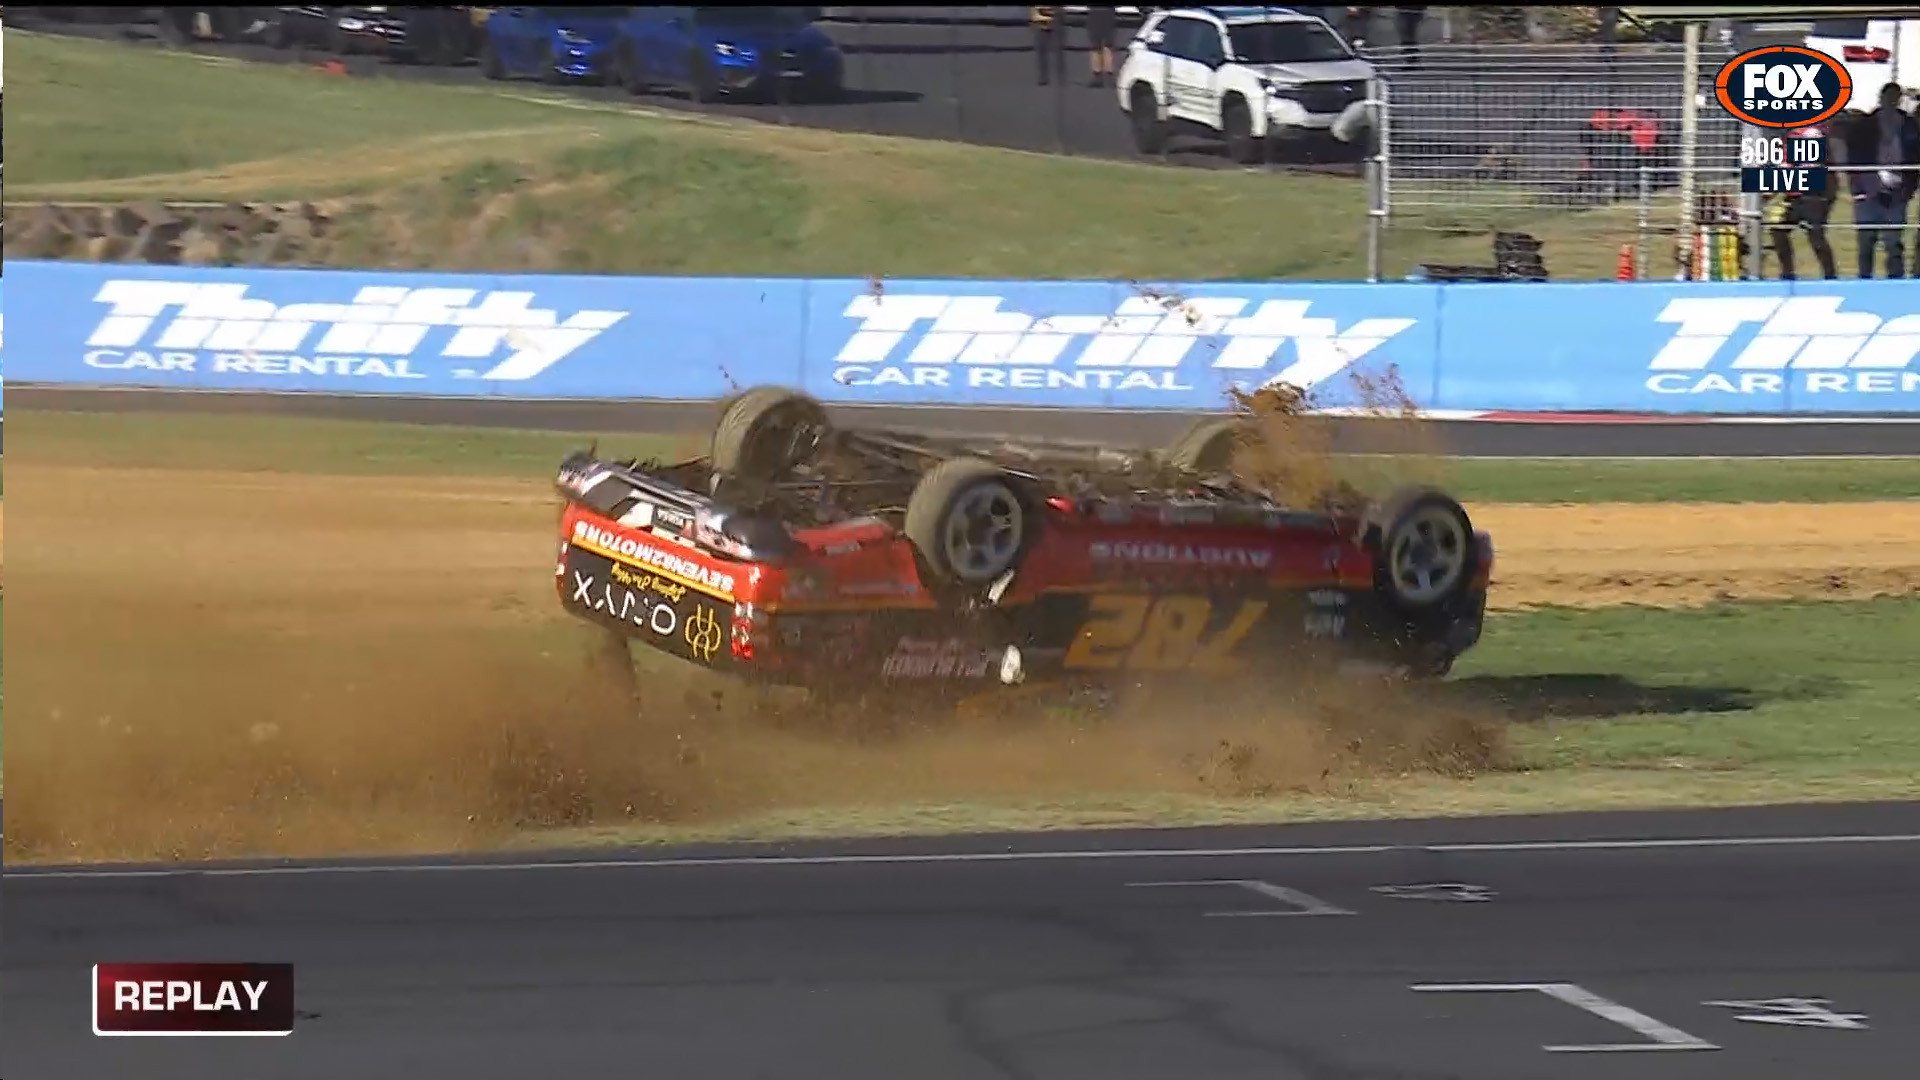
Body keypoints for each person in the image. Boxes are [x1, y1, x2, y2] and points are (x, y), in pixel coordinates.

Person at [1840, 84, 1920, 278]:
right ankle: (1864, 280)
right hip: (1868, 192)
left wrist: (1908, 190)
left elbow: (1916, 157)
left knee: (1893, 243)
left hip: (1897, 192)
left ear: (1899, 99)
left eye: (1895, 97)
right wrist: (1860, 187)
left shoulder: (1910, 126)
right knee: (1866, 241)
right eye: (1887, 96)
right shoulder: (1865, 125)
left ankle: (1896, 282)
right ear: (1881, 97)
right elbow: (1854, 157)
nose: (1891, 100)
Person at [1766, 124, 1838, 281]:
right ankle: (1787, 273)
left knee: (1815, 237)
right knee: (1778, 229)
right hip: (1794, 197)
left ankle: (1830, 276)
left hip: (1815, 196)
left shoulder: (1812, 134)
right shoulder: (1788, 137)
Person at [1030, 6, 1066, 87]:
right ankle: (1043, 77)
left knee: (1057, 50)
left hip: (1054, 16)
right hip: (1039, 17)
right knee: (1041, 49)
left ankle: (1060, 77)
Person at [1084, 6, 1118, 88]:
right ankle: (1102, 75)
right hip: (1103, 13)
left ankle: (1102, 75)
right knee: (1100, 46)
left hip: (1101, 12)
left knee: (1102, 46)